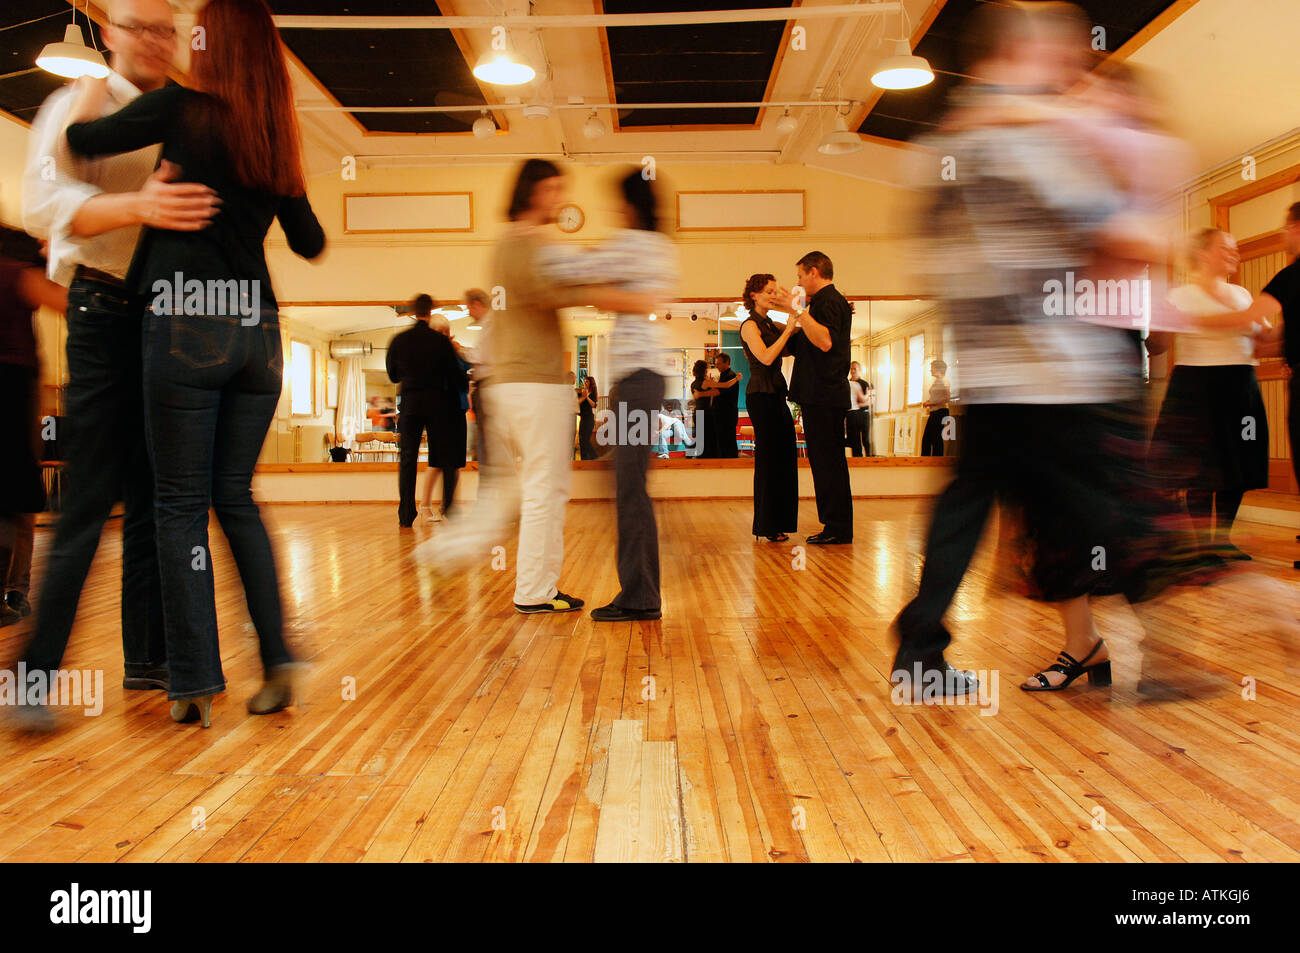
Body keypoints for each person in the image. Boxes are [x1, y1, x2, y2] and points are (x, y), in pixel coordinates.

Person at [890, 0, 1257, 697]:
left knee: (974, 506)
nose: (1061, 73)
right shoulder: (1028, 142)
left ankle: (925, 651)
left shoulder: (941, 144)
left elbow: (935, 258)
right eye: (1048, 57)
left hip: (995, 373)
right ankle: (1185, 639)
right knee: (1112, 511)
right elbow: (1123, 236)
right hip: (1055, 371)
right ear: (1017, 52)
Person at [62, 0, 326, 727]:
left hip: (184, 322)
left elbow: (84, 140)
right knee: (234, 498)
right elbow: (310, 243)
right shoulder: (275, 135)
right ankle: (276, 659)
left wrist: (92, 79)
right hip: (258, 331)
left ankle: (192, 682)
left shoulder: (184, 109)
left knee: (178, 506)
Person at [18, 0, 220, 719]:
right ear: (111, 33)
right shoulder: (77, 102)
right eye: (144, 28)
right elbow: (43, 202)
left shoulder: (184, 113)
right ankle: (31, 679)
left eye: (170, 29)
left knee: (157, 495)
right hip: (101, 311)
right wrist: (140, 207)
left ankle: (149, 658)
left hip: (163, 316)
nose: (160, 42)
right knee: (90, 498)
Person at [416, 158, 653, 614]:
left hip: (512, 385)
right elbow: (554, 290)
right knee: (546, 488)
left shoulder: (519, 242)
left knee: (507, 490)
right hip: (533, 384)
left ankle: (448, 553)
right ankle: (533, 591)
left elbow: (556, 284)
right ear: (531, 192)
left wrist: (591, 273)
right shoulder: (524, 243)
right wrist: (619, 291)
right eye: (552, 189)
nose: (558, 198)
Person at [540, 167, 678, 620]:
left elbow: (571, 267)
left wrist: (538, 229)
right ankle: (641, 593)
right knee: (626, 484)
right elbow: (624, 292)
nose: (615, 211)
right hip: (640, 382)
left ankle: (641, 598)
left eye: (618, 203)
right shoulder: (657, 247)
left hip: (637, 383)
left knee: (629, 489)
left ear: (631, 205)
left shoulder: (633, 243)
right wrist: (610, 296)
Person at [1149, 229, 1269, 560]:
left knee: (1239, 465)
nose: (1235, 254)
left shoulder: (1244, 295)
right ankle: (1201, 546)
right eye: (1226, 248)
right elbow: (1156, 346)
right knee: (1199, 469)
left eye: (1236, 249)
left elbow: (1264, 338)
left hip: (1241, 385)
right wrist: (1156, 321)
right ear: (1203, 254)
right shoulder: (1179, 295)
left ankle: (1222, 540)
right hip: (1195, 387)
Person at [1215, 202, 1300, 568]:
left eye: (1285, 227)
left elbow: (1254, 326)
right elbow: (1277, 335)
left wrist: (1195, 318)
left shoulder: (1287, 277)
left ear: (1297, 228)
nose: (1283, 235)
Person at [0, 229, 64, 640]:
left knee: (15, 495)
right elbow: (66, 304)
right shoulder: (16, 270)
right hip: (14, 385)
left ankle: (14, 591)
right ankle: (14, 592)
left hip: (16, 385)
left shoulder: (15, 262)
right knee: (18, 495)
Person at [774, 251, 853, 544]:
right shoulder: (818, 305)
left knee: (829, 463)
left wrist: (798, 310)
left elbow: (824, 341)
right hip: (819, 396)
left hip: (825, 396)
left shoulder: (830, 302)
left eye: (800, 275)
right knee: (823, 463)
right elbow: (798, 343)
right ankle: (834, 525)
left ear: (815, 272)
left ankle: (838, 528)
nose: (798, 281)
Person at [386, 295, 466, 528]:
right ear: (430, 312)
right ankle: (449, 507)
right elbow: (455, 376)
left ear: (413, 310)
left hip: (410, 404)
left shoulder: (399, 340)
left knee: (408, 459)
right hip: (437, 404)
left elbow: (393, 375)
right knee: (445, 457)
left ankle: (406, 513)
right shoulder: (440, 342)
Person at [739, 272, 799, 541]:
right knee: (768, 459)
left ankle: (779, 522)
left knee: (785, 457)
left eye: (776, 291)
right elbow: (765, 357)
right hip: (760, 396)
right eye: (769, 291)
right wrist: (788, 328)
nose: (774, 296)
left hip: (776, 394)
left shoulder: (771, 323)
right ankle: (765, 525)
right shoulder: (749, 326)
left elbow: (787, 348)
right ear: (754, 295)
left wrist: (796, 320)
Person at [710, 352, 742, 458]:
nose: (717, 366)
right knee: (723, 440)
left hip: (727, 414)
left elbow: (718, 392)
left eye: (719, 364)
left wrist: (710, 385)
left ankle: (729, 462)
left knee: (727, 441)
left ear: (727, 363)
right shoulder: (724, 375)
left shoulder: (730, 376)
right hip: (722, 414)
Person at [920, 360, 951, 456]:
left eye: (932, 367)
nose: (930, 370)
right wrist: (928, 403)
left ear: (938, 368)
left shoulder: (944, 380)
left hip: (940, 412)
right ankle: (925, 460)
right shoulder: (936, 381)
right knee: (927, 439)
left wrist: (931, 403)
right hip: (934, 412)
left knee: (935, 438)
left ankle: (937, 460)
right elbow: (936, 397)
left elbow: (946, 398)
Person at [689, 359, 718, 458]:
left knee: (700, 437)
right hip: (706, 413)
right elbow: (716, 393)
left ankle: (695, 456)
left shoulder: (693, 384)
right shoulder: (706, 383)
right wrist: (712, 383)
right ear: (704, 370)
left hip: (697, 413)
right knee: (709, 438)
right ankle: (705, 458)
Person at [846, 361, 870, 457]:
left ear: (859, 370)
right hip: (852, 414)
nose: (852, 371)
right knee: (854, 440)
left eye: (854, 369)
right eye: (851, 369)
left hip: (861, 414)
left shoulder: (863, 384)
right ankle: (858, 458)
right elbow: (864, 398)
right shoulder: (850, 384)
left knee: (864, 438)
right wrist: (867, 394)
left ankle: (867, 457)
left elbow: (869, 402)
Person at [577, 376, 599, 460]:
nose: (585, 383)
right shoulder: (581, 393)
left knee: (586, 440)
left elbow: (594, 405)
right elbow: (577, 402)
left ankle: (595, 457)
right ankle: (584, 460)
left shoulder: (593, 393)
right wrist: (583, 397)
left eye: (587, 381)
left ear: (591, 383)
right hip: (582, 419)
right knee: (581, 440)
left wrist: (587, 397)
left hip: (589, 419)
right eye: (585, 381)